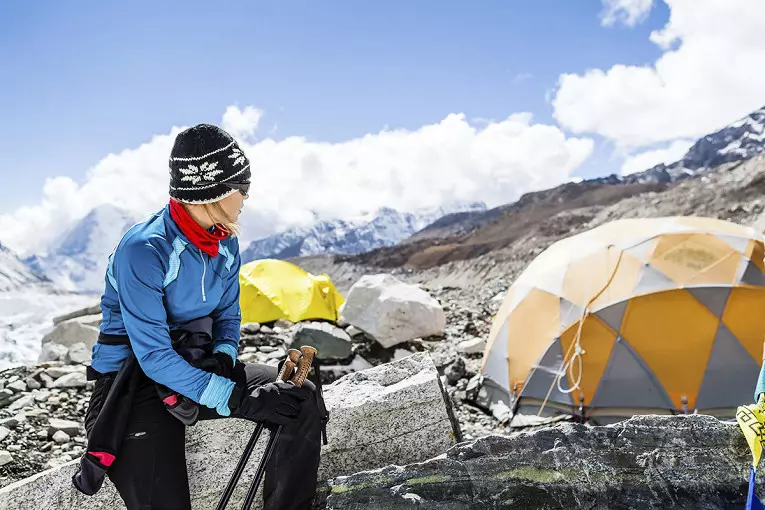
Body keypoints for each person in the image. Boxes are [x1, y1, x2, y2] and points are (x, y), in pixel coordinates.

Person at [81, 124, 323, 510]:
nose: (246, 196)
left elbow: (228, 313)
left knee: (298, 398)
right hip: (130, 385)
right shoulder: (144, 249)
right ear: (216, 191)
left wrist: (223, 360)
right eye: (241, 186)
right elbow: (154, 358)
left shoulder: (225, 240)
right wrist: (238, 400)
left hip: (197, 362)